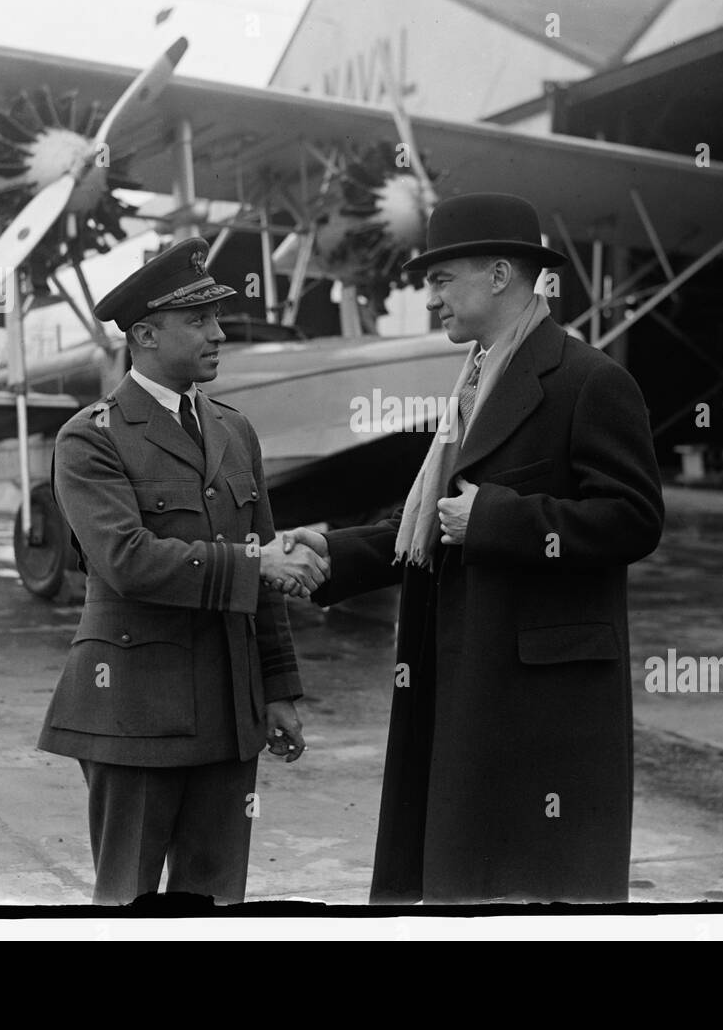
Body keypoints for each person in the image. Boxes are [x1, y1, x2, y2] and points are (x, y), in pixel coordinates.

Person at [284, 193, 664, 904]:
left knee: (529, 891)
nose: (430, 299)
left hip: (542, 706)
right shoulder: (476, 378)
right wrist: (336, 551)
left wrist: (499, 518)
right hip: (464, 681)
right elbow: (432, 523)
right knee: (462, 883)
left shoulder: (590, 380)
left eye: (440, 279)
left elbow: (634, 518)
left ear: (498, 275)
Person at [37, 236, 327, 905]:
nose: (219, 333)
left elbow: (266, 580)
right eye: (198, 320)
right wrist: (260, 562)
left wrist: (278, 689)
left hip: (230, 715)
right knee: (130, 902)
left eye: (216, 318)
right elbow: (127, 560)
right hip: (133, 715)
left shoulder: (235, 429)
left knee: (218, 901)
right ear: (144, 334)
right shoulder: (92, 435)